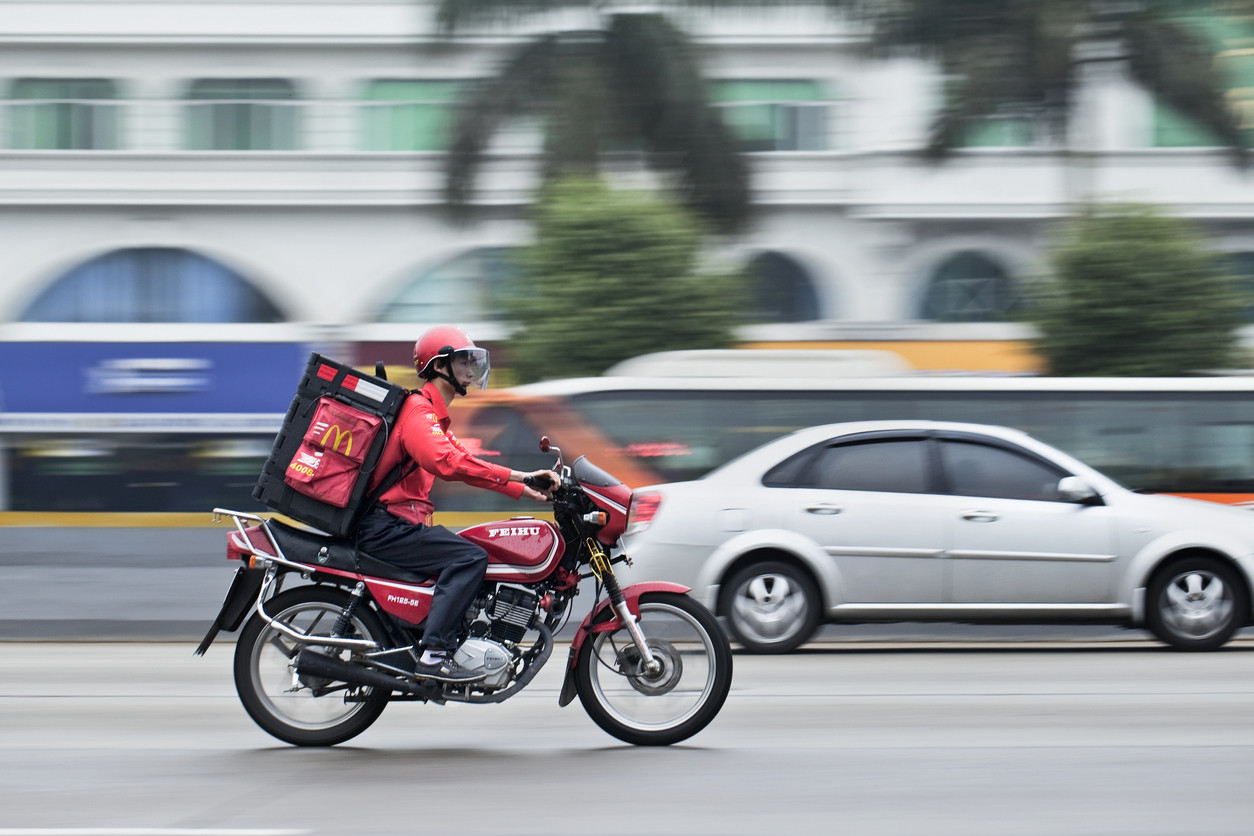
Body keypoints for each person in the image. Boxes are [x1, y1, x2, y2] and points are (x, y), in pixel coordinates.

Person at [356, 325, 558, 682]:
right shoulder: (418, 411)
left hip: (399, 525)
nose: (470, 368)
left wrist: (522, 485)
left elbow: (466, 465)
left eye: (471, 361)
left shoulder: (434, 418)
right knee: (469, 557)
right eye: (463, 360)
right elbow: (446, 463)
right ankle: (435, 654)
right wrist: (520, 475)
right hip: (387, 527)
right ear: (439, 366)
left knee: (472, 552)